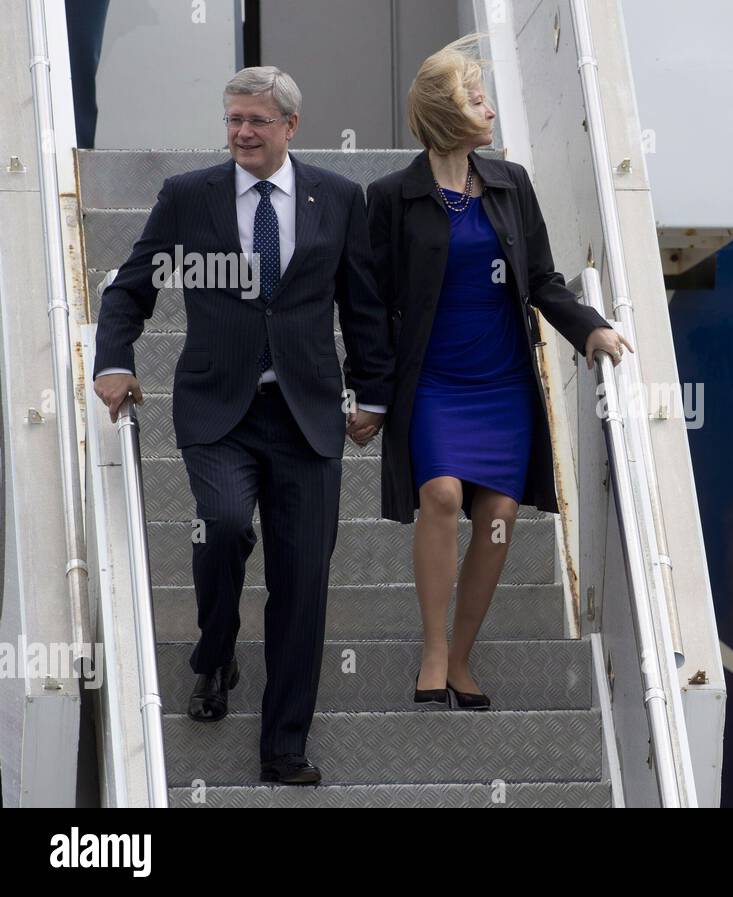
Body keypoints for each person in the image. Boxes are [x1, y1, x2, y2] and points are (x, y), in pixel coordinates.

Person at [92, 66, 394, 785]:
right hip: (218, 408)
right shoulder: (188, 196)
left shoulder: (339, 198)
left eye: (256, 121)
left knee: (302, 578)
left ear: (290, 126)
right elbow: (132, 286)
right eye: (232, 120)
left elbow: (364, 304)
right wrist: (112, 360)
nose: (242, 134)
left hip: (307, 416)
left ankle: (283, 743)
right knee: (223, 525)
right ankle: (216, 651)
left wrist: (374, 395)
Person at [363, 34, 632, 710]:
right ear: (446, 114)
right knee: (445, 496)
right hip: (431, 380)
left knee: (501, 512)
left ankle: (461, 657)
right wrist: (365, 387)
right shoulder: (392, 197)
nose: (488, 108)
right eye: (475, 98)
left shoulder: (511, 185)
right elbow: (369, 302)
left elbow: (540, 277)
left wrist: (589, 326)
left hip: (502, 382)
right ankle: (430, 649)